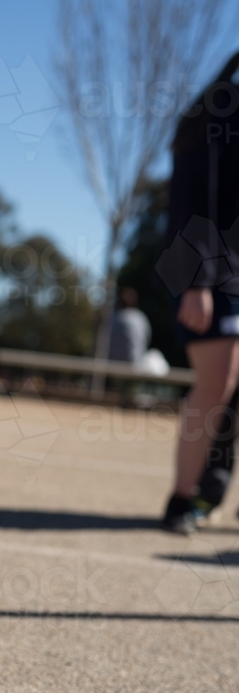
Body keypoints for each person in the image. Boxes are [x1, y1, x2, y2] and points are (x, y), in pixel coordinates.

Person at [159, 52, 239, 534]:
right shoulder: (221, 111)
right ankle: (180, 499)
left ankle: (210, 493)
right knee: (217, 382)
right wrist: (196, 281)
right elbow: (194, 201)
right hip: (211, 271)